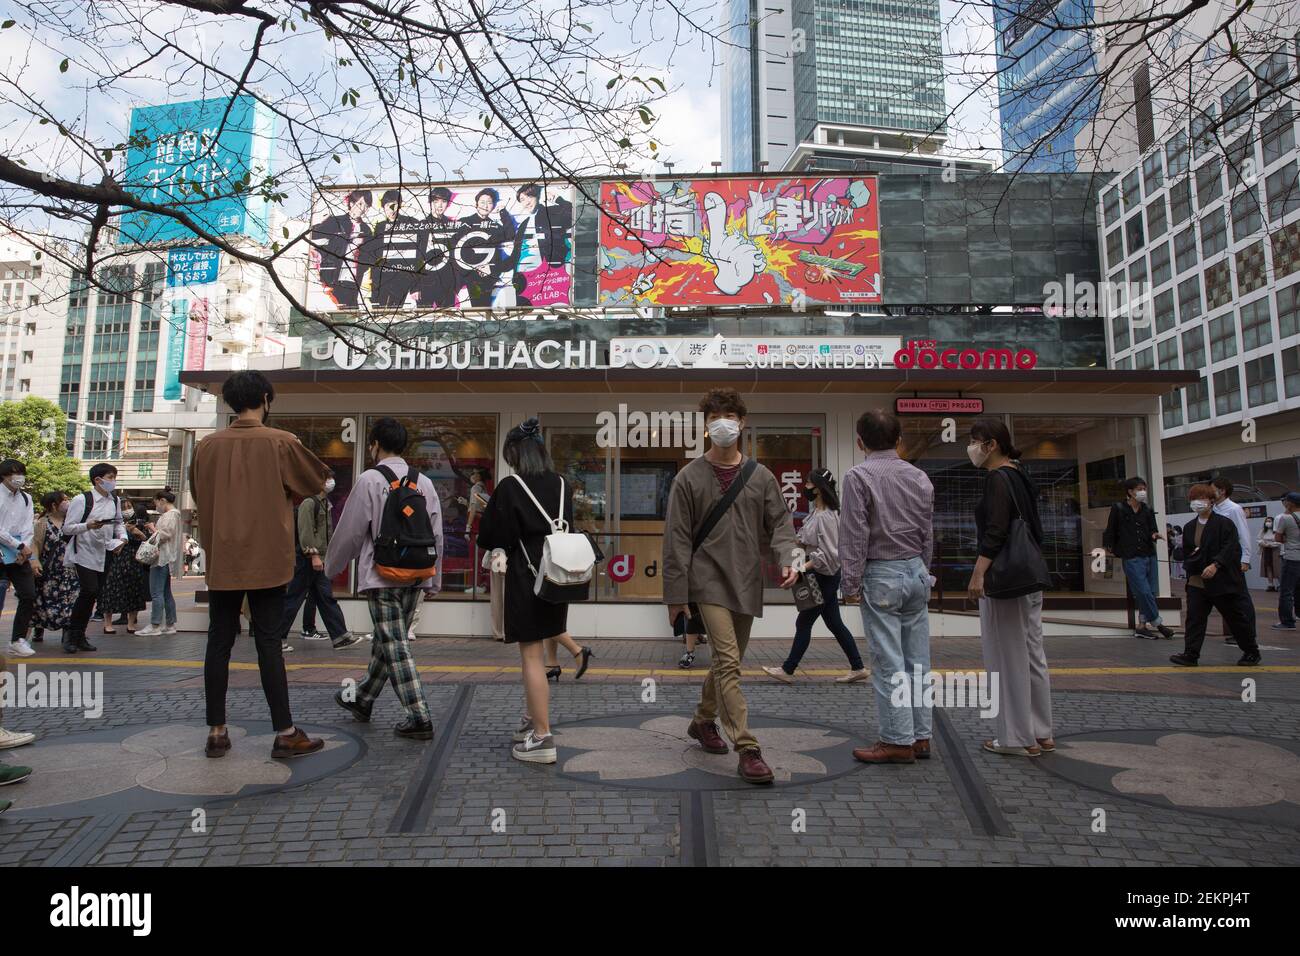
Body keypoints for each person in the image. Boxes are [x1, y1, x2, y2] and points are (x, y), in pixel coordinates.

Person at [662, 389, 802, 784]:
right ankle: (748, 748)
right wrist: (675, 597)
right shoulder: (687, 478)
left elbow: (780, 524)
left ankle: (702, 721)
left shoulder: (761, 477)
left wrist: (788, 559)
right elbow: (676, 540)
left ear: (741, 423)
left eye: (729, 416)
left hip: (746, 581)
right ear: (706, 426)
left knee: (730, 662)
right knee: (727, 662)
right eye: (714, 417)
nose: (722, 423)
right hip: (706, 582)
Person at [190, 370, 332, 760]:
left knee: (218, 640)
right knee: (268, 642)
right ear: (266, 399)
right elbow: (316, 482)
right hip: (268, 557)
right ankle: (285, 732)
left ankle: (216, 731)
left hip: (222, 557)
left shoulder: (206, 446)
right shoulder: (281, 442)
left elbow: (198, 494)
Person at [328, 418, 442, 739]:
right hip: (416, 575)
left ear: (375, 444)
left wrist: (330, 568)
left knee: (395, 644)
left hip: (381, 577)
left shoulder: (369, 479)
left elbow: (350, 531)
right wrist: (433, 581)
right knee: (387, 642)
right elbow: (437, 536)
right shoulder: (425, 483)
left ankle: (419, 715)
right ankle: (363, 699)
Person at [477, 418, 581, 764]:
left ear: (515, 454)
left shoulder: (511, 486)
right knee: (540, 651)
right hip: (558, 577)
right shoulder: (562, 484)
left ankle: (542, 737)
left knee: (532, 657)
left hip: (527, 576)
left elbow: (494, 534)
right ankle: (532, 718)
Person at [837, 411, 936, 764]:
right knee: (918, 660)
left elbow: (854, 534)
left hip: (881, 574)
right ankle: (921, 735)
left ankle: (896, 739)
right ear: (899, 441)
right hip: (915, 571)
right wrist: (925, 569)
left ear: (860, 441)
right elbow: (927, 532)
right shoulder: (920, 477)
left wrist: (849, 582)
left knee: (888, 661)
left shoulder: (858, 476)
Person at [966, 417, 1054, 758]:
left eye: (976, 441)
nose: (971, 448)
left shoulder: (997, 479)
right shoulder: (1020, 475)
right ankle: (1041, 732)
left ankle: (1017, 737)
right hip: (1028, 574)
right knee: (1033, 653)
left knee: (1006, 656)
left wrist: (978, 573)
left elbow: (996, 530)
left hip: (1005, 578)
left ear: (992, 445)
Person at [763, 467, 867, 685]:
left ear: (818, 489)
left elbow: (828, 555)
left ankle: (787, 669)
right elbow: (804, 542)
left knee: (804, 622)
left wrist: (801, 568)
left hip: (823, 576)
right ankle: (858, 666)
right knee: (834, 623)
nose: (806, 488)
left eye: (809, 484)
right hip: (821, 575)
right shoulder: (816, 513)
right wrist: (793, 557)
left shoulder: (827, 517)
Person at [1170, 483, 1262, 666]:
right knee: (1195, 619)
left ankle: (1251, 651)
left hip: (1222, 581)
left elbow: (1231, 548)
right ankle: (1191, 654)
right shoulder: (1189, 527)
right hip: (1197, 581)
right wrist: (1193, 563)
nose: (1197, 503)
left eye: (1202, 499)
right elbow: (1188, 553)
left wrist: (1216, 564)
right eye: (1194, 499)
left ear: (1212, 501)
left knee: (1234, 617)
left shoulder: (1224, 523)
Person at [276, 469, 360, 649]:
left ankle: (340, 635)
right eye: (328, 478)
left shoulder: (323, 503)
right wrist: (313, 555)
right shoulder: (309, 503)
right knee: (293, 598)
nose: (331, 482)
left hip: (319, 560)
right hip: (308, 559)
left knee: (325, 597)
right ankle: (276, 638)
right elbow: (306, 532)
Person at [62, 463, 127, 654]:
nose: (113, 481)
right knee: (88, 590)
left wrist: (122, 538)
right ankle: (72, 635)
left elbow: (119, 523)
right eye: (109, 477)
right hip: (83, 552)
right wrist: (88, 526)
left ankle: (80, 634)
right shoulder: (82, 499)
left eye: (114, 477)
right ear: (97, 480)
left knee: (94, 593)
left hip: (105, 552)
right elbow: (67, 528)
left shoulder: (114, 500)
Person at [1103, 476, 1175, 640]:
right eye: (1139, 489)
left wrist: (1156, 535)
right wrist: (1107, 547)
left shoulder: (1147, 509)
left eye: (1144, 488)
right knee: (1143, 591)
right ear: (1130, 491)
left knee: (1149, 591)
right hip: (1131, 555)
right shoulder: (1119, 508)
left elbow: (1152, 529)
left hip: (1149, 553)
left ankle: (1142, 626)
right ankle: (1158, 623)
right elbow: (1110, 530)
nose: (1142, 492)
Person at [1211, 476, 1255, 647]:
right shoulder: (1214, 509)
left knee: (1241, 596)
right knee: (1228, 596)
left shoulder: (1234, 509)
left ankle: (1248, 632)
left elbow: (1243, 534)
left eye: (1213, 489)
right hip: (1220, 559)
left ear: (1222, 491)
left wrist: (1245, 558)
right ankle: (1237, 632)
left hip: (1233, 559)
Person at [0, 459, 38, 659]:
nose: (18, 478)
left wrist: (25, 548)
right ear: (4, 475)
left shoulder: (26, 498)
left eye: (21, 473)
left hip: (20, 554)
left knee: (28, 595)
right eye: (14, 473)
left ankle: (17, 640)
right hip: (5, 550)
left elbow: (28, 526)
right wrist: (19, 546)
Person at [311, 189, 373, 308]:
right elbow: (313, 235)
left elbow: (369, 255)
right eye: (360, 204)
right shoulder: (336, 221)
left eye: (366, 206)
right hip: (334, 277)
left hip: (354, 278)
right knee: (338, 309)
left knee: (351, 310)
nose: (363, 208)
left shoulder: (366, 229)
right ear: (351, 203)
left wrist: (361, 268)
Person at [364, 189, 425, 307]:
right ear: (383, 207)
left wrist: (416, 286)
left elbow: (418, 257)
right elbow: (376, 257)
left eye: (395, 205)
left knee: (395, 313)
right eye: (388, 205)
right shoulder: (380, 227)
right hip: (383, 279)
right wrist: (374, 286)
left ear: (400, 206)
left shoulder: (412, 224)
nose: (391, 209)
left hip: (403, 278)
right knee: (379, 313)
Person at [32, 491, 79, 643]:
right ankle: (38, 629)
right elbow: (36, 545)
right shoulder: (42, 523)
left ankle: (67, 634)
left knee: (70, 601)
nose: (68, 502)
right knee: (44, 602)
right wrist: (35, 562)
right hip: (49, 571)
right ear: (54, 505)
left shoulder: (71, 522)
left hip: (70, 571)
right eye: (64, 500)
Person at [100, 497, 149, 634]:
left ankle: (131, 623)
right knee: (111, 591)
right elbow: (106, 540)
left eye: (129, 506)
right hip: (116, 561)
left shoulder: (140, 523)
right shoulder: (113, 523)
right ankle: (107, 624)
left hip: (135, 561)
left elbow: (148, 542)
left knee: (134, 591)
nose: (127, 510)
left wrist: (139, 534)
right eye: (124, 507)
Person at [136, 489, 182, 636]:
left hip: (161, 557)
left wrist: (152, 528)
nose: (156, 506)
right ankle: (170, 624)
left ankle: (155, 625)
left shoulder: (170, 515)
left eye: (156, 502)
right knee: (166, 593)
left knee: (157, 592)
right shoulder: (175, 515)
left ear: (162, 501)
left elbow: (165, 534)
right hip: (167, 557)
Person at [418, 186, 462, 308]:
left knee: (448, 321)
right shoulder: (422, 225)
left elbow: (455, 256)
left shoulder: (451, 226)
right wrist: (415, 286)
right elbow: (417, 257)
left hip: (447, 282)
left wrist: (456, 285)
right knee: (422, 321)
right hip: (426, 282)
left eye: (443, 201)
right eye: (436, 201)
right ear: (430, 203)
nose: (439, 205)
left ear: (448, 204)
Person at [1272, 492, 1300, 631]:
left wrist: (1287, 539)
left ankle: (1287, 621)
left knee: (1286, 591)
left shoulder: (1285, 518)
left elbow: (1278, 538)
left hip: (1291, 557)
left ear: (1291, 504)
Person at [1259, 515, 1281, 591]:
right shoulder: (1263, 531)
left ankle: (1280, 584)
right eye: (1266, 521)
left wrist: (1271, 544)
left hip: (1275, 550)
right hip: (1266, 550)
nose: (1268, 523)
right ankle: (1271, 585)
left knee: (1277, 567)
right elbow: (1259, 539)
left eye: (1269, 521)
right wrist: (1264, 543)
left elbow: (1280, 542)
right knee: (1268, 567)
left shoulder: (1276, 531)